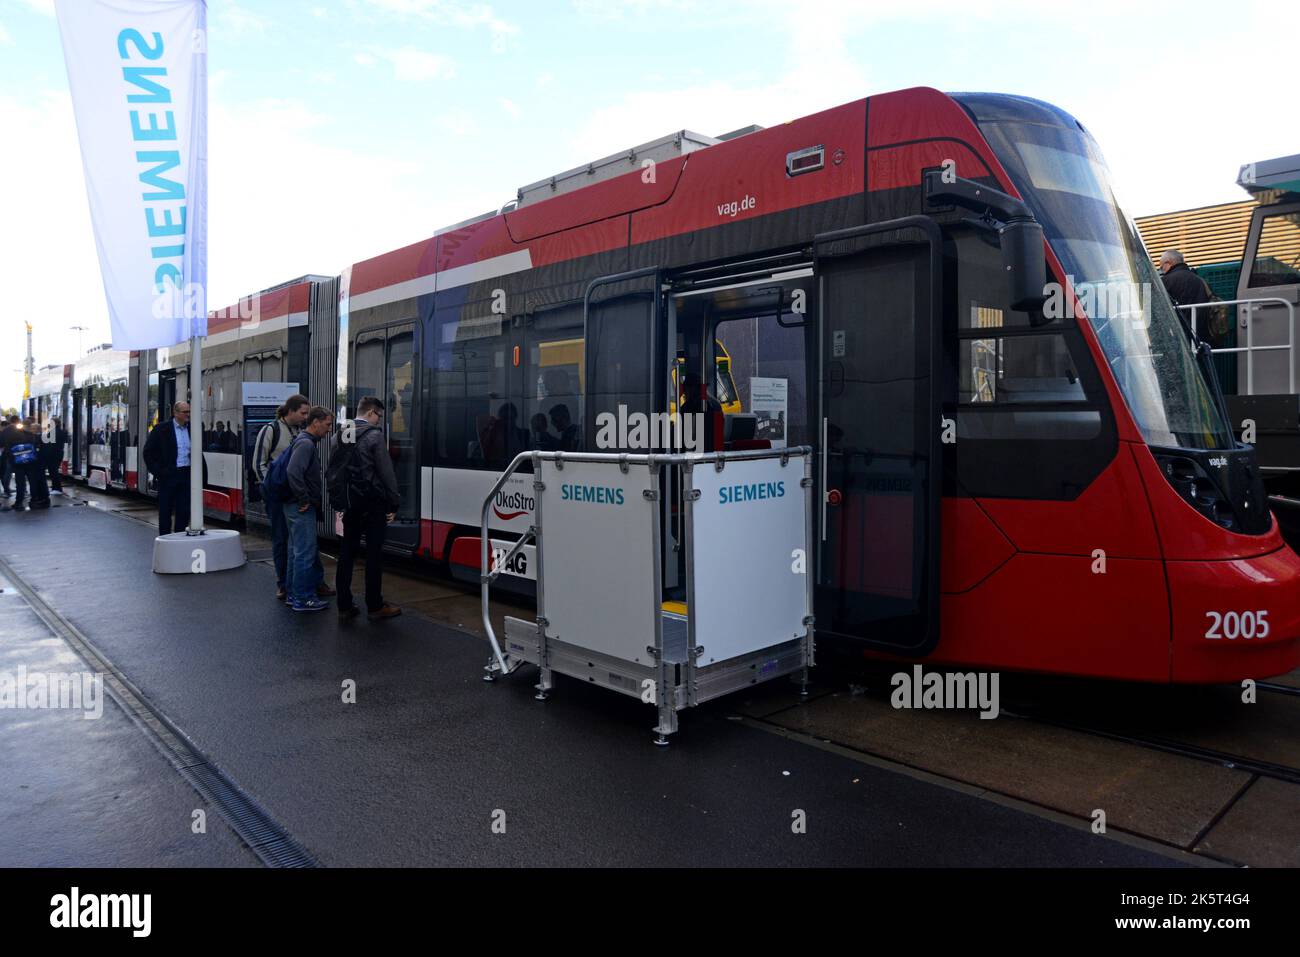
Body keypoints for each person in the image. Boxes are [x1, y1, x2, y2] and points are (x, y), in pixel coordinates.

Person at [253, 394, 329, 601]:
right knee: (283, 540)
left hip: (292, 494)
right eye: (303, 413)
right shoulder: (271, 430)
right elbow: (258, 463)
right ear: (290, 411)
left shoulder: (300, 432)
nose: (306, 417)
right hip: (279, 495)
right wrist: (272, 492)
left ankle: (313, 582)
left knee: (302, 542)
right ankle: (284, 584)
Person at [334, 396, 402, 620]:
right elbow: (386, 473)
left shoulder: (342, 432)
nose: (378, 420)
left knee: (346, 553)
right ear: (372, 412)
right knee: (373, 555)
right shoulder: (374, 436)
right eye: (379, 416)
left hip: (349, 502)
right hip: (372, 504)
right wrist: (393, 502)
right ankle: (374, 606)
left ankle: (344, 604)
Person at [283, 406, 334, 613]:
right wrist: (304, 498)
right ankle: (303, 598)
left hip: (293, 505)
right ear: (316, 422)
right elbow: (293, 472)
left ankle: (292, 594)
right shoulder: (306, 444)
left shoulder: (302, 441)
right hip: (300, 506)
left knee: (295, 551)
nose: (329, 429)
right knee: (305, 552)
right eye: (328, 424)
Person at [142, 401, 193, 535]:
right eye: (185, 412)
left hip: (186, 475)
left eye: (189, 411)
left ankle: (180, 538)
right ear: (175, 413)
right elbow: (148, 452)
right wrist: (160, 472)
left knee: (184, 511)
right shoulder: (161, 429)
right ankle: (165, 540)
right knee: (165, 511)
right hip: (168, 475)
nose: (188, 414)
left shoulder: (194, 429)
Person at [1159, 249, 1215, 333]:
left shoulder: (1165, 281)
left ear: (1168, 263)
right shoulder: (1200, 280)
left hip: (1180, 336)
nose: (1161, 270)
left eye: (1161, 267)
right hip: (1201, 336)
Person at [3, 417, 49, 510]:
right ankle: (34, 500)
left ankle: (19, 503)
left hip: (18, 463)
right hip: (31, 463)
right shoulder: (32, 436)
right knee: (32, 482)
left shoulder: (12, 435)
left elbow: (7, 449)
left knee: (20, 483)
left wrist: (11, 459)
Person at [42, 417, 65, 494]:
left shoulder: (53, 432)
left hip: (52, 455)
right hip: (58, 454)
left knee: (53, 471)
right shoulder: (61, 431)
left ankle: (57, 488)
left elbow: (49, 445)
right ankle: (55, 488)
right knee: (54, 471)